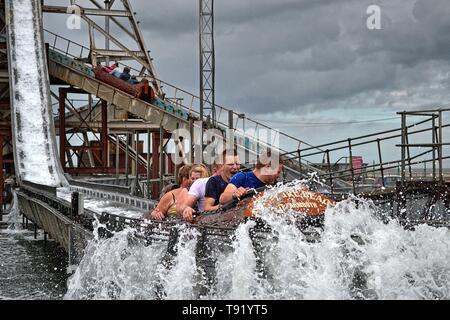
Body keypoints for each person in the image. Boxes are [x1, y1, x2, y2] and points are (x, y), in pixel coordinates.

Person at [219, 150, 284, 205]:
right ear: (268, 166)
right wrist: (234, 194)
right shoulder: (242, 177)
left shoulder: (275, 185)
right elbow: (222, 199)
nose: (279, 176)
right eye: (278, 172)